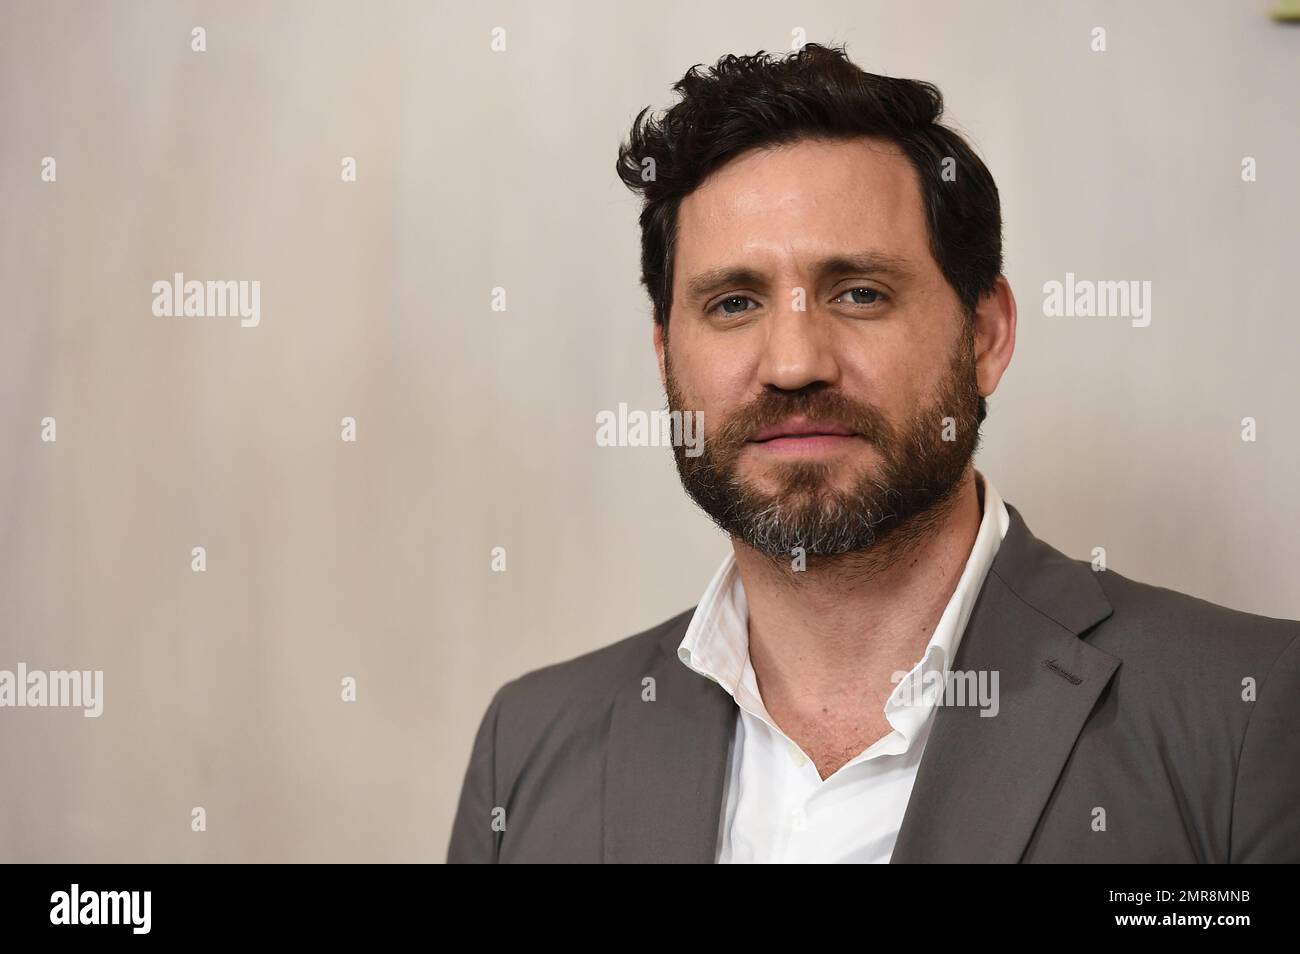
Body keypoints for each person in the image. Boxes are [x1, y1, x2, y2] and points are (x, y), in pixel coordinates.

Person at [447, 43, 1300, 863]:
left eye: (860, 293)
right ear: (667, 356)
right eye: (734, 302)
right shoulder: (528, 748)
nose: (793, 365)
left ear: (987, 334)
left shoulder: (1249, 711)